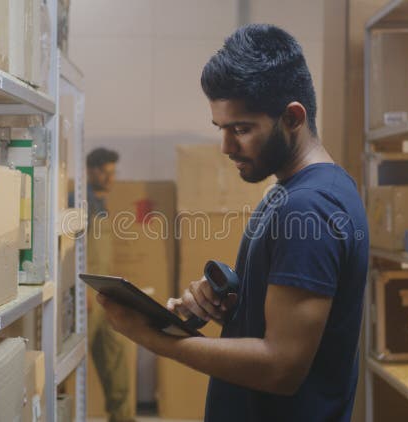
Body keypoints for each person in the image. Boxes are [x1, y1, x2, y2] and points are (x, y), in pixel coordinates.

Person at [97, 24, 369, 421]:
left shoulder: (311, 206)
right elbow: (289, 324)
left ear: (293, 117)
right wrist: (234, 309)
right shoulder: (292, 192)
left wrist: (153, 339)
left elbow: (281, 367)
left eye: (241, 129)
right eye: (221, 129)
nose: (226, 146)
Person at [84, 147, 134, 422]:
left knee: (115, 358)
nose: (110, 178)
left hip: (104, 294)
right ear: (90, 170)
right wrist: (80, 293)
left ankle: (122, 417)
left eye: (113, 172)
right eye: (105, 172)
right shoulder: (81, 202)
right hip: (86, 298)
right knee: (74, 358)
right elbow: (69, 253)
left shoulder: (101, 204)